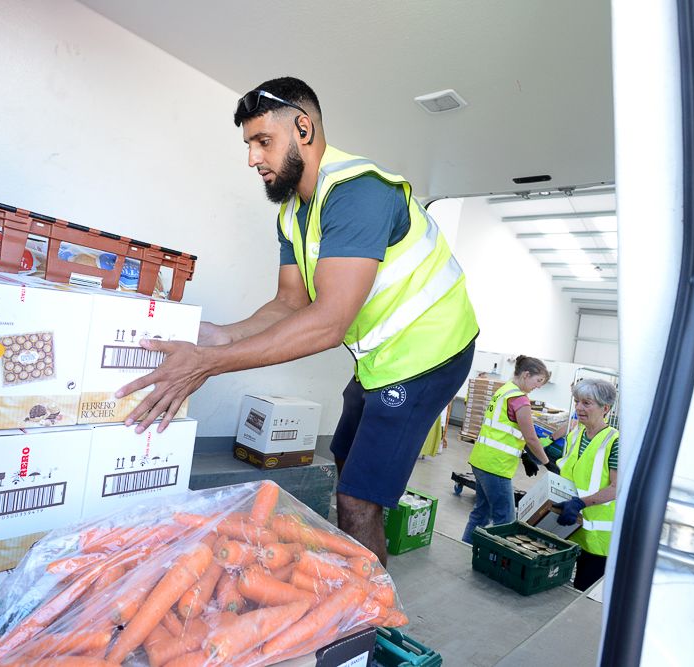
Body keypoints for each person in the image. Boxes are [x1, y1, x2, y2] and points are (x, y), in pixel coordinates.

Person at [115, 77, 480, 564]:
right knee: (346, 460)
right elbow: (289, 302)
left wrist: (209, 363)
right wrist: (218, 336)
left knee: (357, 500)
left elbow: (328, 322)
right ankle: (355, 574)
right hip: (381, 356)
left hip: (431, 353)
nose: (253, 159)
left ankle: (369, 623)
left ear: (303, 129)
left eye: (263, 141)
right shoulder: (293, 212)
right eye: (249, 145)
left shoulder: (357, 193)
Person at [461, 355, 555, 544]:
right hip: (497, 467)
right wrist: (548, 463)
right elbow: (531, 437)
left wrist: (524, 455)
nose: (538, 386)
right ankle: (499, 562)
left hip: (481, 461)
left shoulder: (504, 391)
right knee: (506, 520)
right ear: (526, 375)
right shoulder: (520, 400)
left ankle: (465, 545)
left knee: (481, 512)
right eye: (538, 381)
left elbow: (505, 431)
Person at [553, 378, 619, 591]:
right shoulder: (576, 434)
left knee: (583, 591)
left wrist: (580, 503)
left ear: (605, 408)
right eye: (577, 401)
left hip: (597, 536)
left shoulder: (615, 442)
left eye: (587, 403)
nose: (579, 408)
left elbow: (616, 487)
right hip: (571, 525)